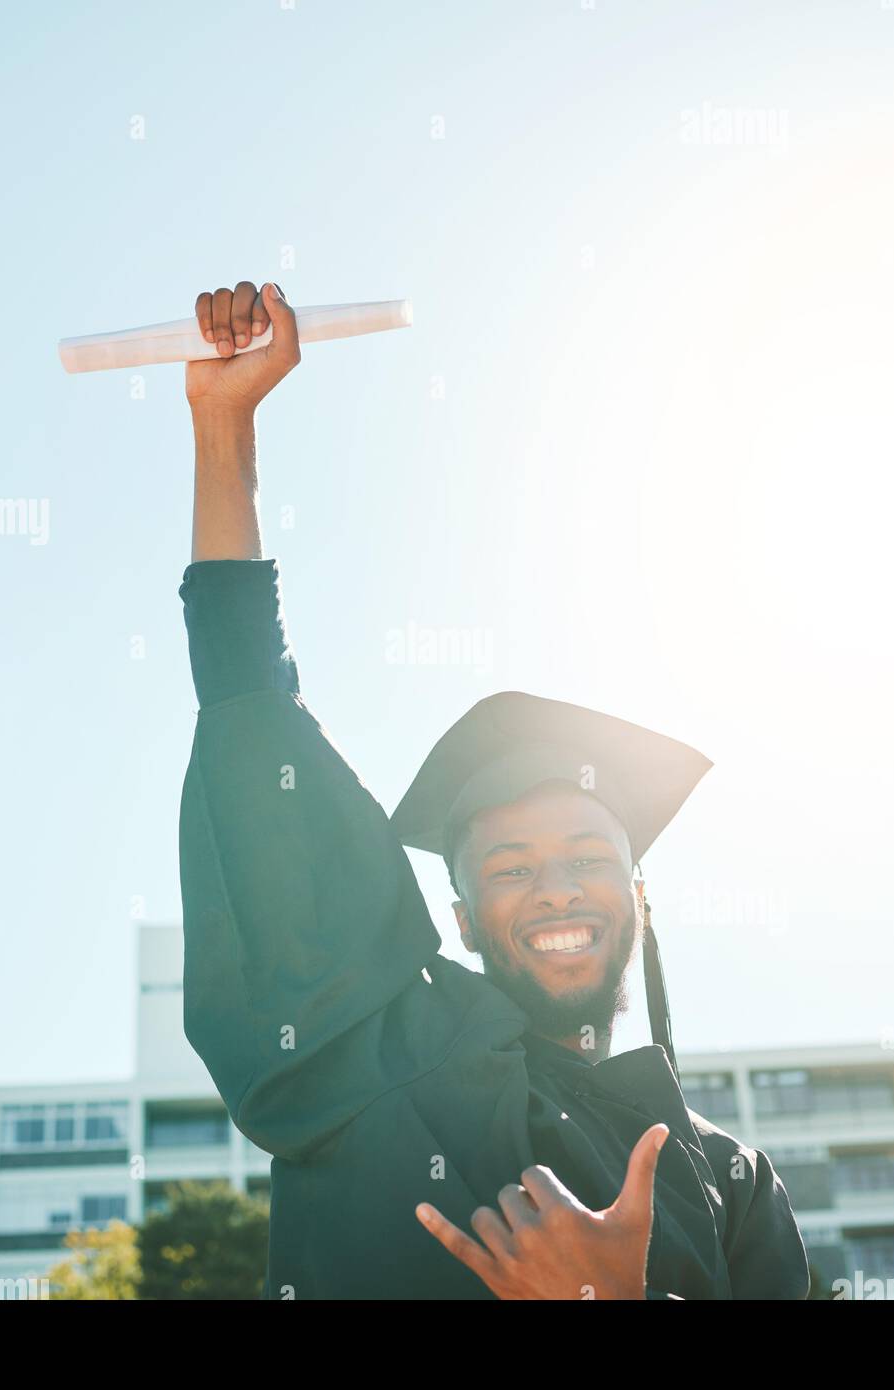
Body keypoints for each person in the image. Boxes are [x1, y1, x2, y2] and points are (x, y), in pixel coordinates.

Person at [177, 279, 809, 1300]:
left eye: (586, 858)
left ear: (638, 899)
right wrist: (225, 430)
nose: (554, 888)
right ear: (464, 922)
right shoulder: (387, 1059)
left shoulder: (731, 1181)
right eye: (510, 869)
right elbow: (258, 743)